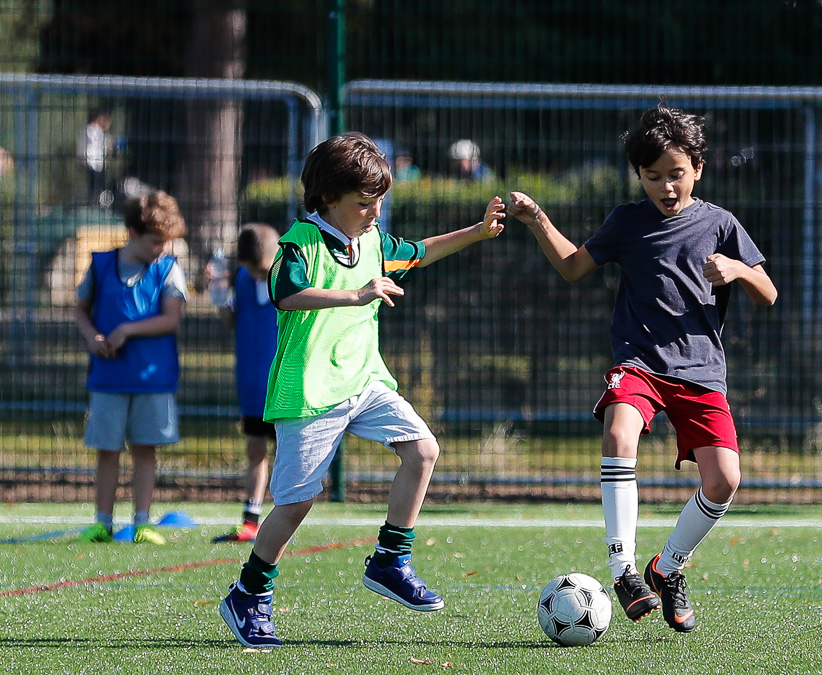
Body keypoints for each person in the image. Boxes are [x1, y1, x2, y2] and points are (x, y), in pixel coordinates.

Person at [219, 132, 506, 648]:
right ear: (329, 198)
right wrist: (356, 293)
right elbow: (285, 295)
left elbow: (418, 252)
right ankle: (249, 593)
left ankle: (391, 560)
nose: (375, 212)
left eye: (379, 202)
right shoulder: (298, 243)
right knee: (297, 503)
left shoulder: (370, 241)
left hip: (365, 381)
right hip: (309, 391)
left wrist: (478, 233)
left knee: (423, 450)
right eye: (364, 203)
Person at [508, 104, 777, 633]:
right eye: (653, 177)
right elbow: (572, 266)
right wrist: (538, 219)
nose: (666, 187)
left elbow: (768, 294)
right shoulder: (628, 221)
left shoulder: (721, 224)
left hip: (700, 370)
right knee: (619, 429)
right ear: (639, 176)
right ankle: (623, 569)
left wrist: (740, 269)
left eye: (675, 174)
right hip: (639, 363)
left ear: (697, 168)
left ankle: (668, 567)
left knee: (725, 479)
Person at [74, 190, 189, 545]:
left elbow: (171, 319)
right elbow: (80, 309)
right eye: (156, 242)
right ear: (133, 233)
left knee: (144, 450)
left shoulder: (168, 269)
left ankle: (142, 523)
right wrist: (93, 335)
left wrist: (126, 330)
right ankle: (102, 523)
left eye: (166, 242)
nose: (162, 249)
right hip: (108, 378)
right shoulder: (100, 265)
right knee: (107, 451)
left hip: (153, 378)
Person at [211, 223, 281, 544]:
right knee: (255, 449)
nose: (256, 275)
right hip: (252, 382)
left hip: (285, 383)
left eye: (261, 269)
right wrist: (219, 295)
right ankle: (251, 518)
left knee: (290, 452)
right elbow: (231, 321)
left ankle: (284, 517)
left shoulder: (288, 279)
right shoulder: (241, 279)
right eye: (250, 269)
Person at [78, 109, 113, 205]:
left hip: (97, 164)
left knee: (98, 186)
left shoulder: (97, 131)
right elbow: (97, 141)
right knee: (94, 187)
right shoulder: (91, 130)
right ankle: (93, 203)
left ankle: (97, 203)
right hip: (92, 163)